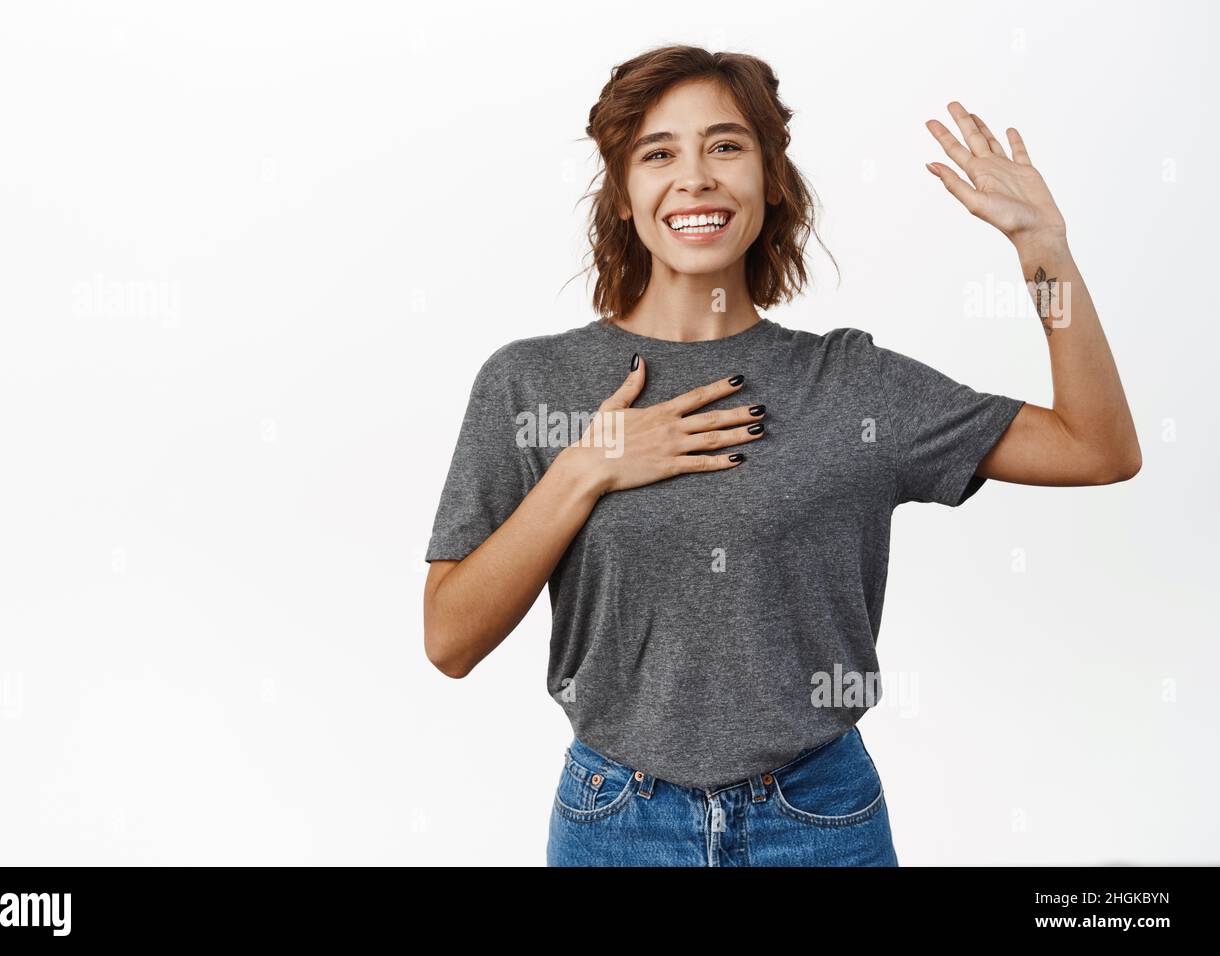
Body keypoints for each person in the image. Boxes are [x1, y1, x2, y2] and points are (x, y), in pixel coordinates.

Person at [421, 45, 1141, 867]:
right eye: (658, 153)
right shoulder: (529, 383)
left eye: (726, 146)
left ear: (770, 180)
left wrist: (1044, 251)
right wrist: (587, 469)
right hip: (616, 822)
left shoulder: (850, 383)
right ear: (624, 194)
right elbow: (450, 639)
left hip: (819, 821)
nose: (694, 177)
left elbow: (1098, 449)